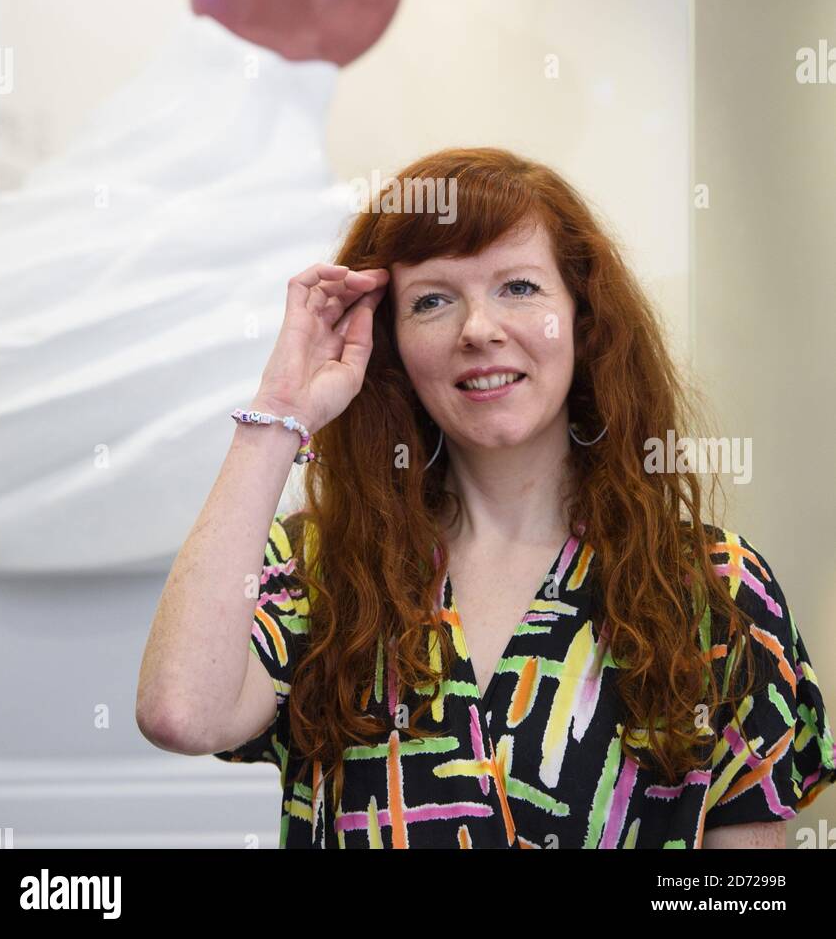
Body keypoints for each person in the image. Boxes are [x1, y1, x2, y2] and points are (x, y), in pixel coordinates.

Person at [136, 146, 836, 849]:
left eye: (519, 288)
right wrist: (279, 409)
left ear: (584, 319)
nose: (478, 329)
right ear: (390, 346)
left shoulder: (712, 588)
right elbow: (181, 712)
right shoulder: (322, 569)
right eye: (433, 300)